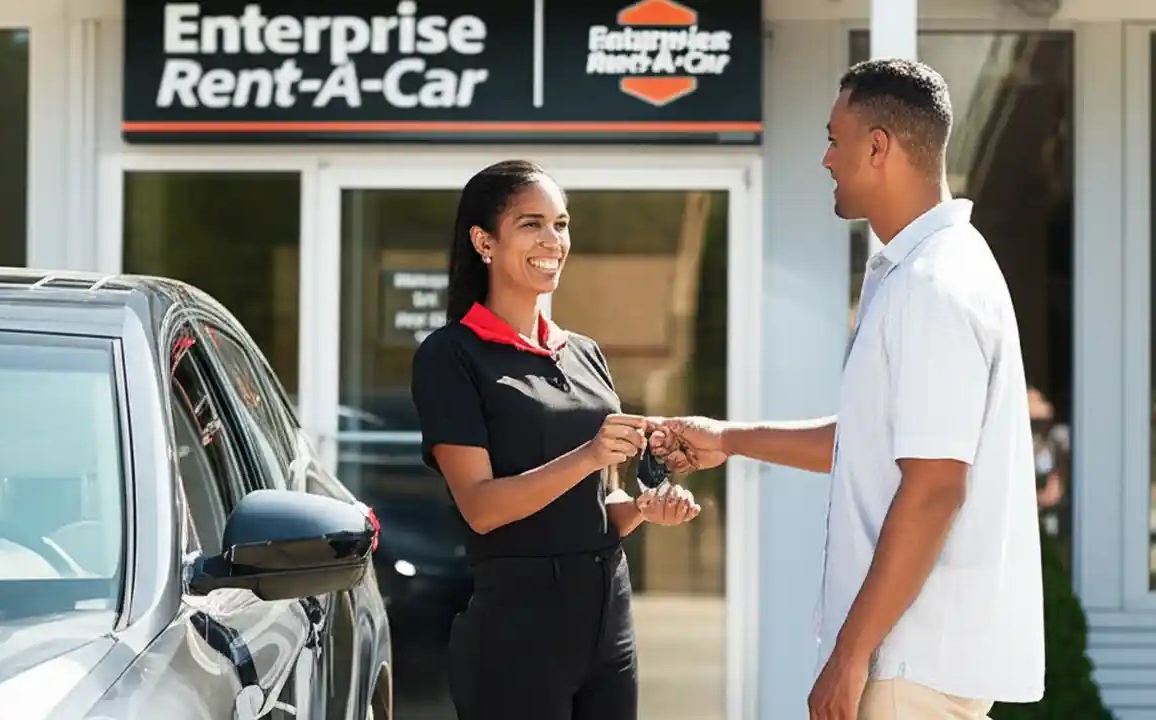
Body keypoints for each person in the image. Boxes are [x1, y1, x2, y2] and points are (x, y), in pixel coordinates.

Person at [649, 59, 1045, 719]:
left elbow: (935, 485)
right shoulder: (923, 272)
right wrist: (732, 440)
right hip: (914, 662)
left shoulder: (933, 285)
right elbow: (880, 440)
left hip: (905, 666)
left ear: (878, 146)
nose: (827, 159)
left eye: (835, 139)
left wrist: (851, 654)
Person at [410, 158, 702, 720]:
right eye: (531, 223)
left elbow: (597, 505)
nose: (553, 240)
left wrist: (643, 508)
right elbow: (481, 508)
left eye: (561, 223)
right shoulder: (451, 356)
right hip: (519, 628)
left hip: (607, 614)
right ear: (483, 240)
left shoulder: (585, 352)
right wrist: (591, 452)